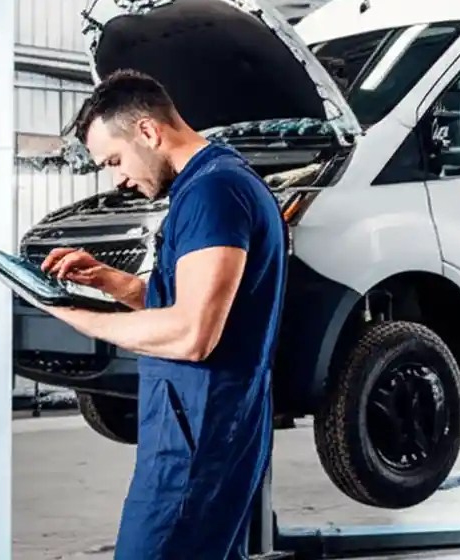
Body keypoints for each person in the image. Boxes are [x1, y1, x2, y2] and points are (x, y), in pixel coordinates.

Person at [28, 68, 287, 560]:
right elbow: (190, 301)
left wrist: (70, 314)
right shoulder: (209, 184)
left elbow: (193, 334)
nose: (118, 178)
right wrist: (111, 282)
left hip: (195, 440)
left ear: (147, 131)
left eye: (115, 160)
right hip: (200, 428)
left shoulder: (214, 193)